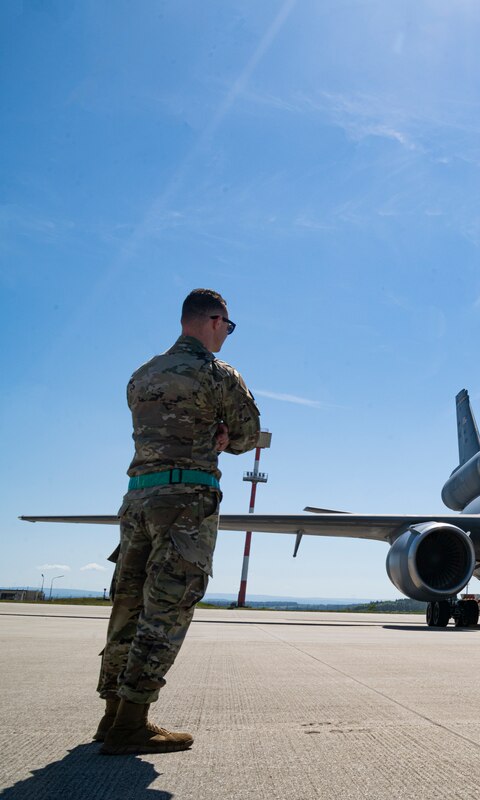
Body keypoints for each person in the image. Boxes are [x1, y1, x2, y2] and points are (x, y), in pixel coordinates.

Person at [97, 289, 260, 755]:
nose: (227, 335)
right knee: (167, 607)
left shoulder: (141, 374)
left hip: (136, 500)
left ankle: (111, 714)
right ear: (212, 321)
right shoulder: (217, 374)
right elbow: (248, 434)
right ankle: (132, 722)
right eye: (227, 326)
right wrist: (225, 436)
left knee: (127, 604)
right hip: (186, 503)